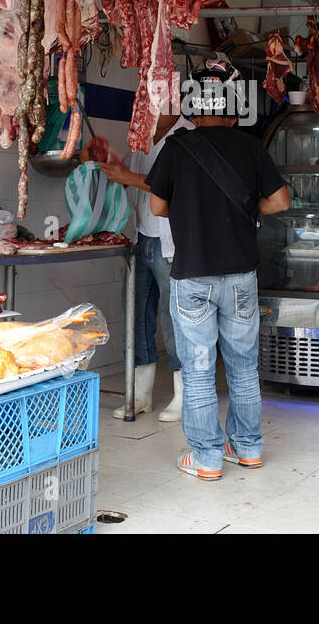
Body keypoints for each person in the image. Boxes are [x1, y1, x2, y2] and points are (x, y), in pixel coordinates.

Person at [145, 60, 290, 480]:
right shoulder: (250, 147)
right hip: (242, 276)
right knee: (244, 366)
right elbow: (280, 202)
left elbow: (156, 207)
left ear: (194, 107)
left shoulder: (177, 148)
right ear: (234, 109)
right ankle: (247, 448)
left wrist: (191, 208)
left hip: (193, 275)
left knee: (200, 366)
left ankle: (207, 456)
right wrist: (246, 209)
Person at [93, 108, 194, 422]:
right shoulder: (141, 132)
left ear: (175, 98)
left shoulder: (188, 134)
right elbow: (128, 181)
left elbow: (177, 184)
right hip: (141, 237)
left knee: (173, 319)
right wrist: (110, 162)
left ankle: (183, 396)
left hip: (173, 240)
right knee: (135, 316)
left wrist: (127, 176)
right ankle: (140, 394)